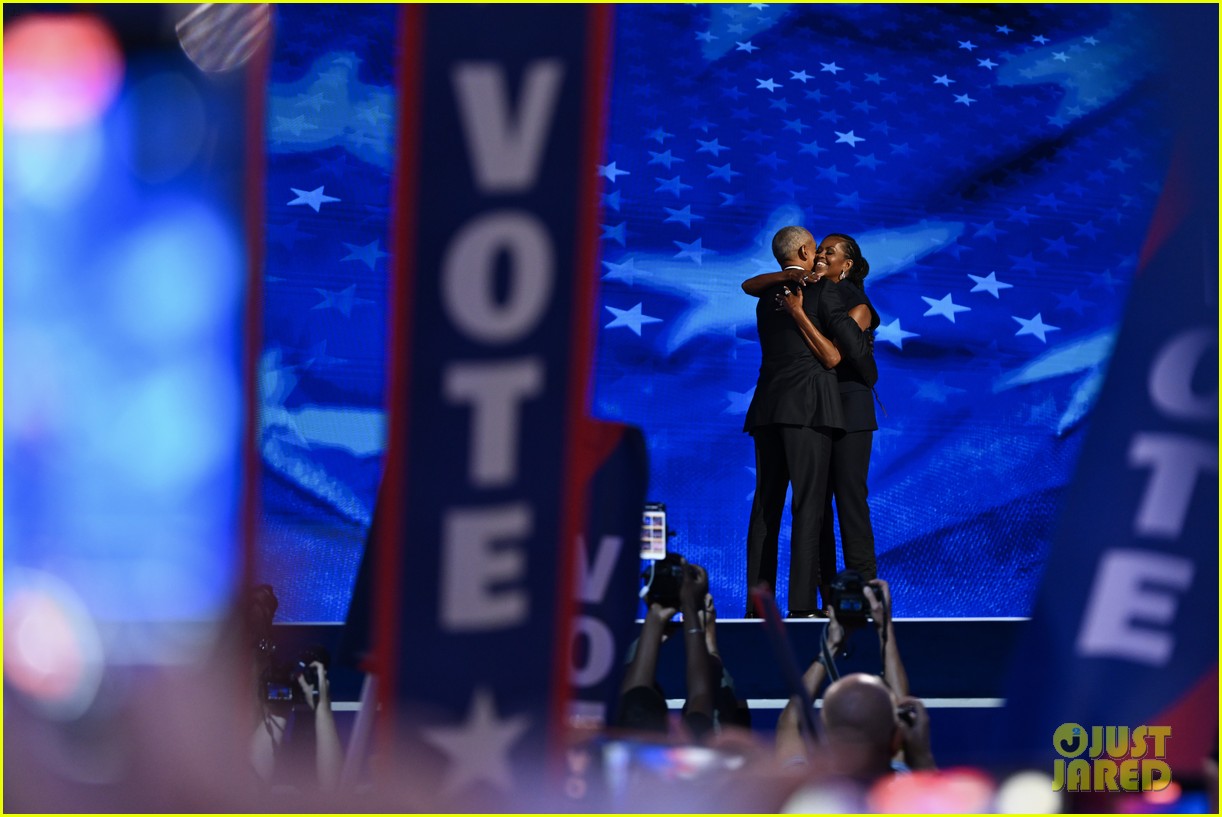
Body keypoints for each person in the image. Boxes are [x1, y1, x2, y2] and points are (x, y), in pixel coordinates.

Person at [740, 226, 857, 616]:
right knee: (809, 508)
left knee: (765, 509)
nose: (820, 257)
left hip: (768, 408)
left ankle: (757, 607)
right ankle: (803, 606)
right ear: (806, 250)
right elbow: (834, 357)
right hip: (809, 409)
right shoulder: (822, 292)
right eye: (816, 250)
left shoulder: (765, 295)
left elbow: (749, 283)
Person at [775, 578, 934, 783]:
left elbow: (791, 721)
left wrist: (832, 645)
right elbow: (902, 713)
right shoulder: (907, 792)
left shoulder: (803, 789)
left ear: (824, 739)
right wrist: (884, 626)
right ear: (896, 741)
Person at [814, 234, 881, 595]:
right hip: (816, 407)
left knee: (850, 497)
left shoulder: (859, 304)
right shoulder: (811, 296)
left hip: (850, 408)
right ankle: (823, 591)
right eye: (820, 250)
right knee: (816, 503)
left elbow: (839, 353)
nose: (822, 255)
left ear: (848, 265)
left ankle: (865, 586)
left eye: (830, 252)